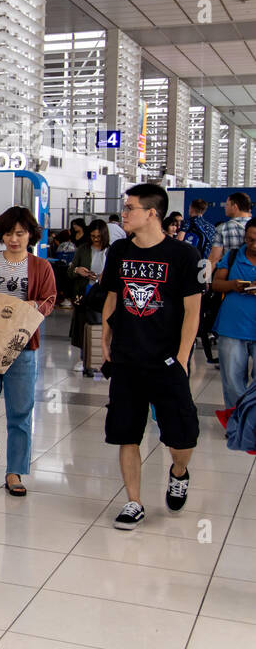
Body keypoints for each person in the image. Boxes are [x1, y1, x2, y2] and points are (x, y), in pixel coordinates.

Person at [101, 183, 201, 530]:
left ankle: (179, 471)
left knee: (181, 437)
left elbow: (192, 312)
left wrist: (183, 358)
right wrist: (105, 339)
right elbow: (112, 298)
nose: (124, 214)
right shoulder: (119, 252)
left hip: (167, 360)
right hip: (127, 359)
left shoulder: (183, 256)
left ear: (151, 213)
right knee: (126, 433)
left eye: (130, 208)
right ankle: (134, 501)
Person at [0, 207, 57, 496]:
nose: (14, 239)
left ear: (30, 234)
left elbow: (49, 299)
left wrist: (34, 307)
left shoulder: (40, 266)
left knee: (20, 410)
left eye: (20, 233)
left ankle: (15, 470)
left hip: (22, 347)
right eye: (8, 233)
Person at [211, 220, 256, 409]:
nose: (253, 245)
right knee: (232, 381)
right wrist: (233, 285)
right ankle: (237, 422)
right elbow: (216, 283)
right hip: (232, 327)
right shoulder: (233, 255)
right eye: (250, 239)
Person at [69, 218, 112, 370]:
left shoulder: (111, 250)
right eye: (93, 236)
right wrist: (78, 271)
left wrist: (104, 277)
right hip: (85, 291)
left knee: (104, 324)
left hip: (105, 294)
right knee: (84, 325)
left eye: (99, 237)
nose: (95, 239)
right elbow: (70, 269)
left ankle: (103, 357)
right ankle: (84, 358)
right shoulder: (83, 249)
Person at [209, 192, 252, 266]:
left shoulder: (222, 229)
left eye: (227, 205)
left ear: (235, 207)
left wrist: (204, 276)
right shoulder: (253, 225)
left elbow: (214, 260)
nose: (225, 207)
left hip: (231, 275)